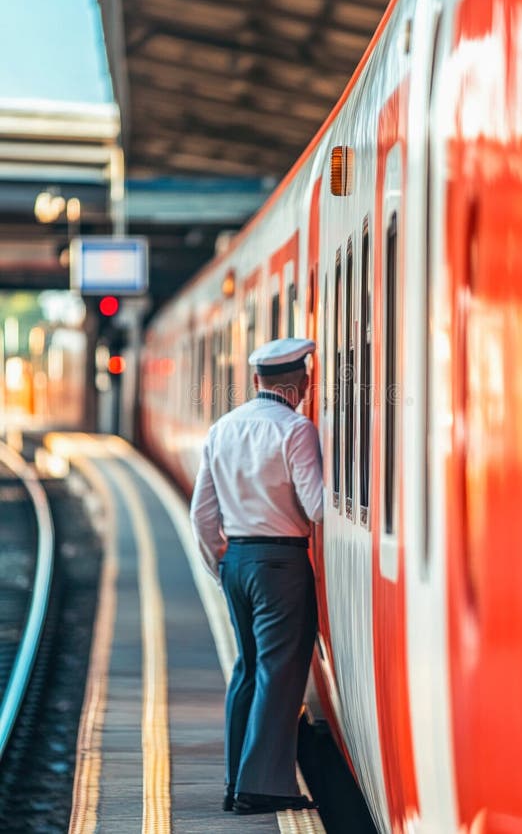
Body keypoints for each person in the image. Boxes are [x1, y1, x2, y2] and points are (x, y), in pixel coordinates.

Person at [190, 336, 323, 815]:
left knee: (247, 668)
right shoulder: (296, 430)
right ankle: (263, 789)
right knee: (279, 673)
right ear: (303, 383)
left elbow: (202, 516)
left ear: (255, 381)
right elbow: (317, 507)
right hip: (281, 564)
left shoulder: (222, 428)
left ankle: (236, 781)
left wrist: (220, 566)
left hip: (238, 561)